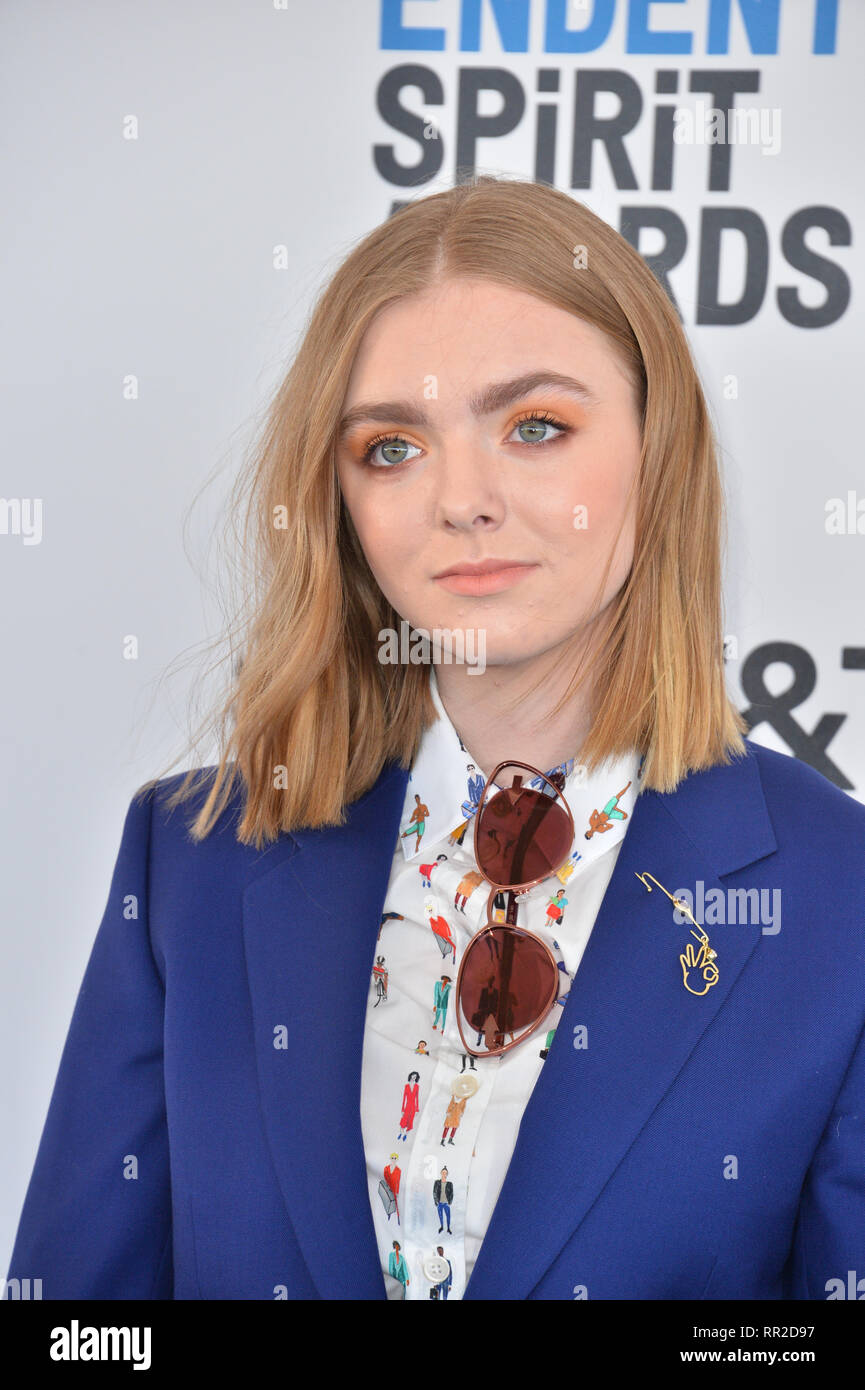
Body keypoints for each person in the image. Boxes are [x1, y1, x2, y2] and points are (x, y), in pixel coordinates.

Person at [6, 177, 865, 1301]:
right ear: (340, 503)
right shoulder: (194, 858)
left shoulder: (837, 890)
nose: (463, 497)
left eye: (537, 427)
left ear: (661, 458)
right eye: (393, 446)